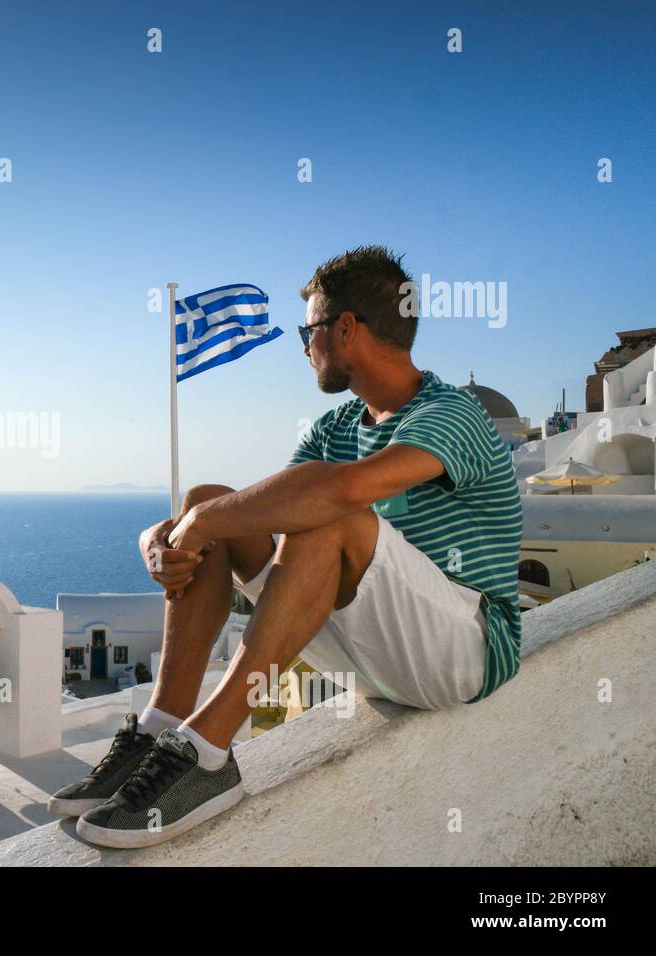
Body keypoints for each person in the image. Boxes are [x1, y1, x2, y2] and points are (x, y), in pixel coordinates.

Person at [48, 245, 523, 849]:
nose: (304, 347)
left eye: (310, 329)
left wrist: (201, 521)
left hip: (464, 654)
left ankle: (208, 756)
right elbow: (263, 510)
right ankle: (159, 728)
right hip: (374, 648)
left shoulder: (450, 411)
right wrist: (166, 536)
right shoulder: (339, 425)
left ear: (345, 329)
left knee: (329, 514)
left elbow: (340, 492)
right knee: (214, 500)